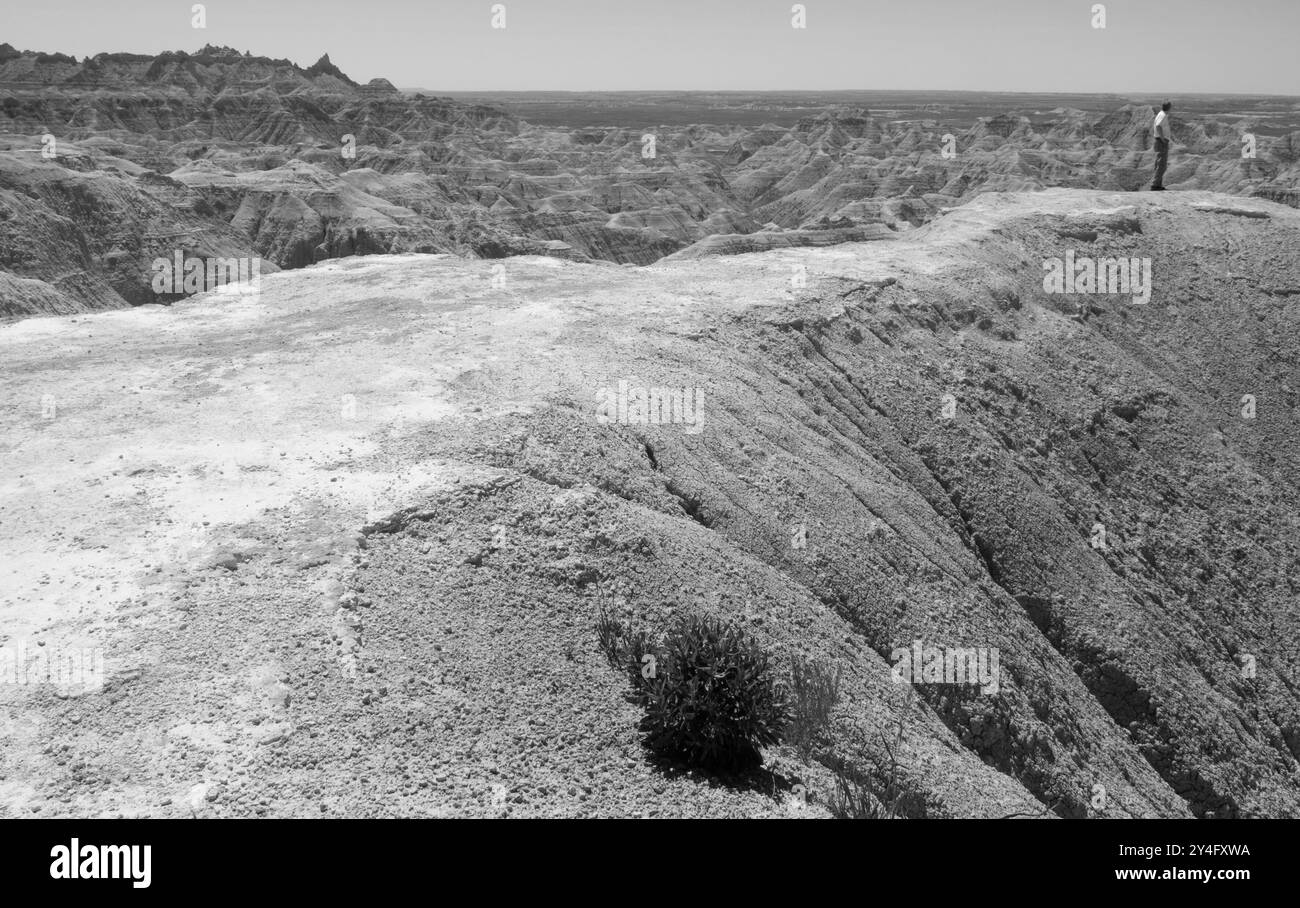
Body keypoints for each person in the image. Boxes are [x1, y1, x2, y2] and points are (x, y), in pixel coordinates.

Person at [1151, 101, 1173, 191]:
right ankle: (1155, 185)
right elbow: (1158, 126)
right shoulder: (1163, 115)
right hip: (1161, 142)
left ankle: (1158, 184)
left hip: (1159, 141)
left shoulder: (1161, 114)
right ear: (1169, 107)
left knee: (1160, 164)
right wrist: (1163, 138)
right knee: (1161, 164)